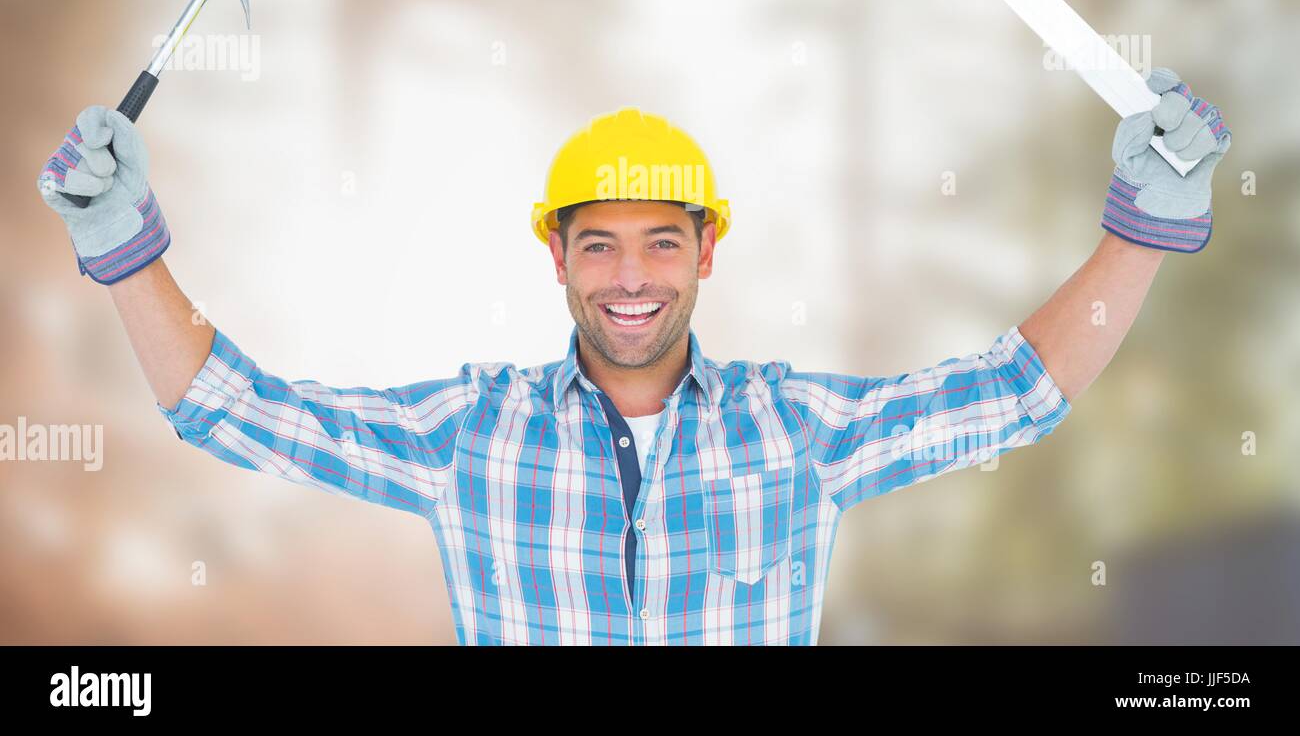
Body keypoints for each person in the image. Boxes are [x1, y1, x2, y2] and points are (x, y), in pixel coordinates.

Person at [36, 74, 1231, 645]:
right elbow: (232, 410)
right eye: (598, 244)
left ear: (707, 250)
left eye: (662, 241)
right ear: (555, 255)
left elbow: (1014, 395)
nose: (630, 276)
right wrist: (122, 245)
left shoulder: (793, 432)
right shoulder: (472, 435)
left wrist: (1142, 231)